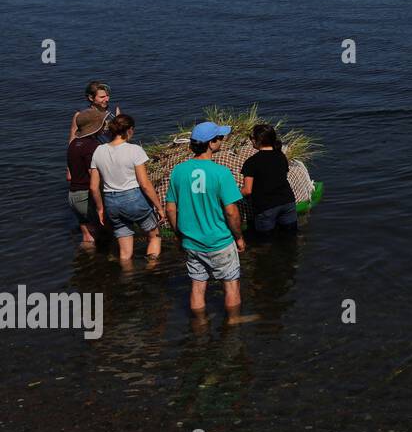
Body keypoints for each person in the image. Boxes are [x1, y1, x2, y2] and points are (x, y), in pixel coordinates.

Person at [164, 122, 245, 312]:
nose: (222, 141)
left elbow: (170, 209)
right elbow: (231, 211)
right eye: (219, 138)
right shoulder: (221, 173)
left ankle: (199, 326)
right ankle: (233, 324)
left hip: (191, 242)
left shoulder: (178, 171)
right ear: (210, 143)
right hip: (220, 241)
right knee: (231, 285)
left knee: (197, 286)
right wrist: (239, 237)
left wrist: (179, 234)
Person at [89, 114, 165, 262]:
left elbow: (93, 187)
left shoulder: (99, 151)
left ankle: (127, 279)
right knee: (154, 236)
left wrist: (100, 208)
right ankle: (152, 271)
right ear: (129, 130)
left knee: (125, 252)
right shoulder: (134, 150)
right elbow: (145, 184)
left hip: (111, 201)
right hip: (134, 199)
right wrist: (159, 207)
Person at [240, 124, 298, 237]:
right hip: (287, 202)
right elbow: (281, 177)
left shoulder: (251, 162)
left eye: (252, 137)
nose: (251, 140)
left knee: (265, 243)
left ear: (258, 140)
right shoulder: (281, 156)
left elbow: (247, 190)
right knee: (291, 238)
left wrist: (235, 193)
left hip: (266, 207)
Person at [67, 109, 105, 247]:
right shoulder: (92, 146)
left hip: (73, 196)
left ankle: (84, 264)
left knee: (87, 236)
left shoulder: (74, 144)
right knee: (103, 232)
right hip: (85, 196)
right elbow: (93, 174)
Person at [69, 80, 119, 144]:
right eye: (102, 97)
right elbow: (73, 139)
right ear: (91, 98)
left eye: (107, 95)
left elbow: (121, 133)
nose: (107, 99)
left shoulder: (114, 111)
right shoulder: (81, 115)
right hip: (92, 151)